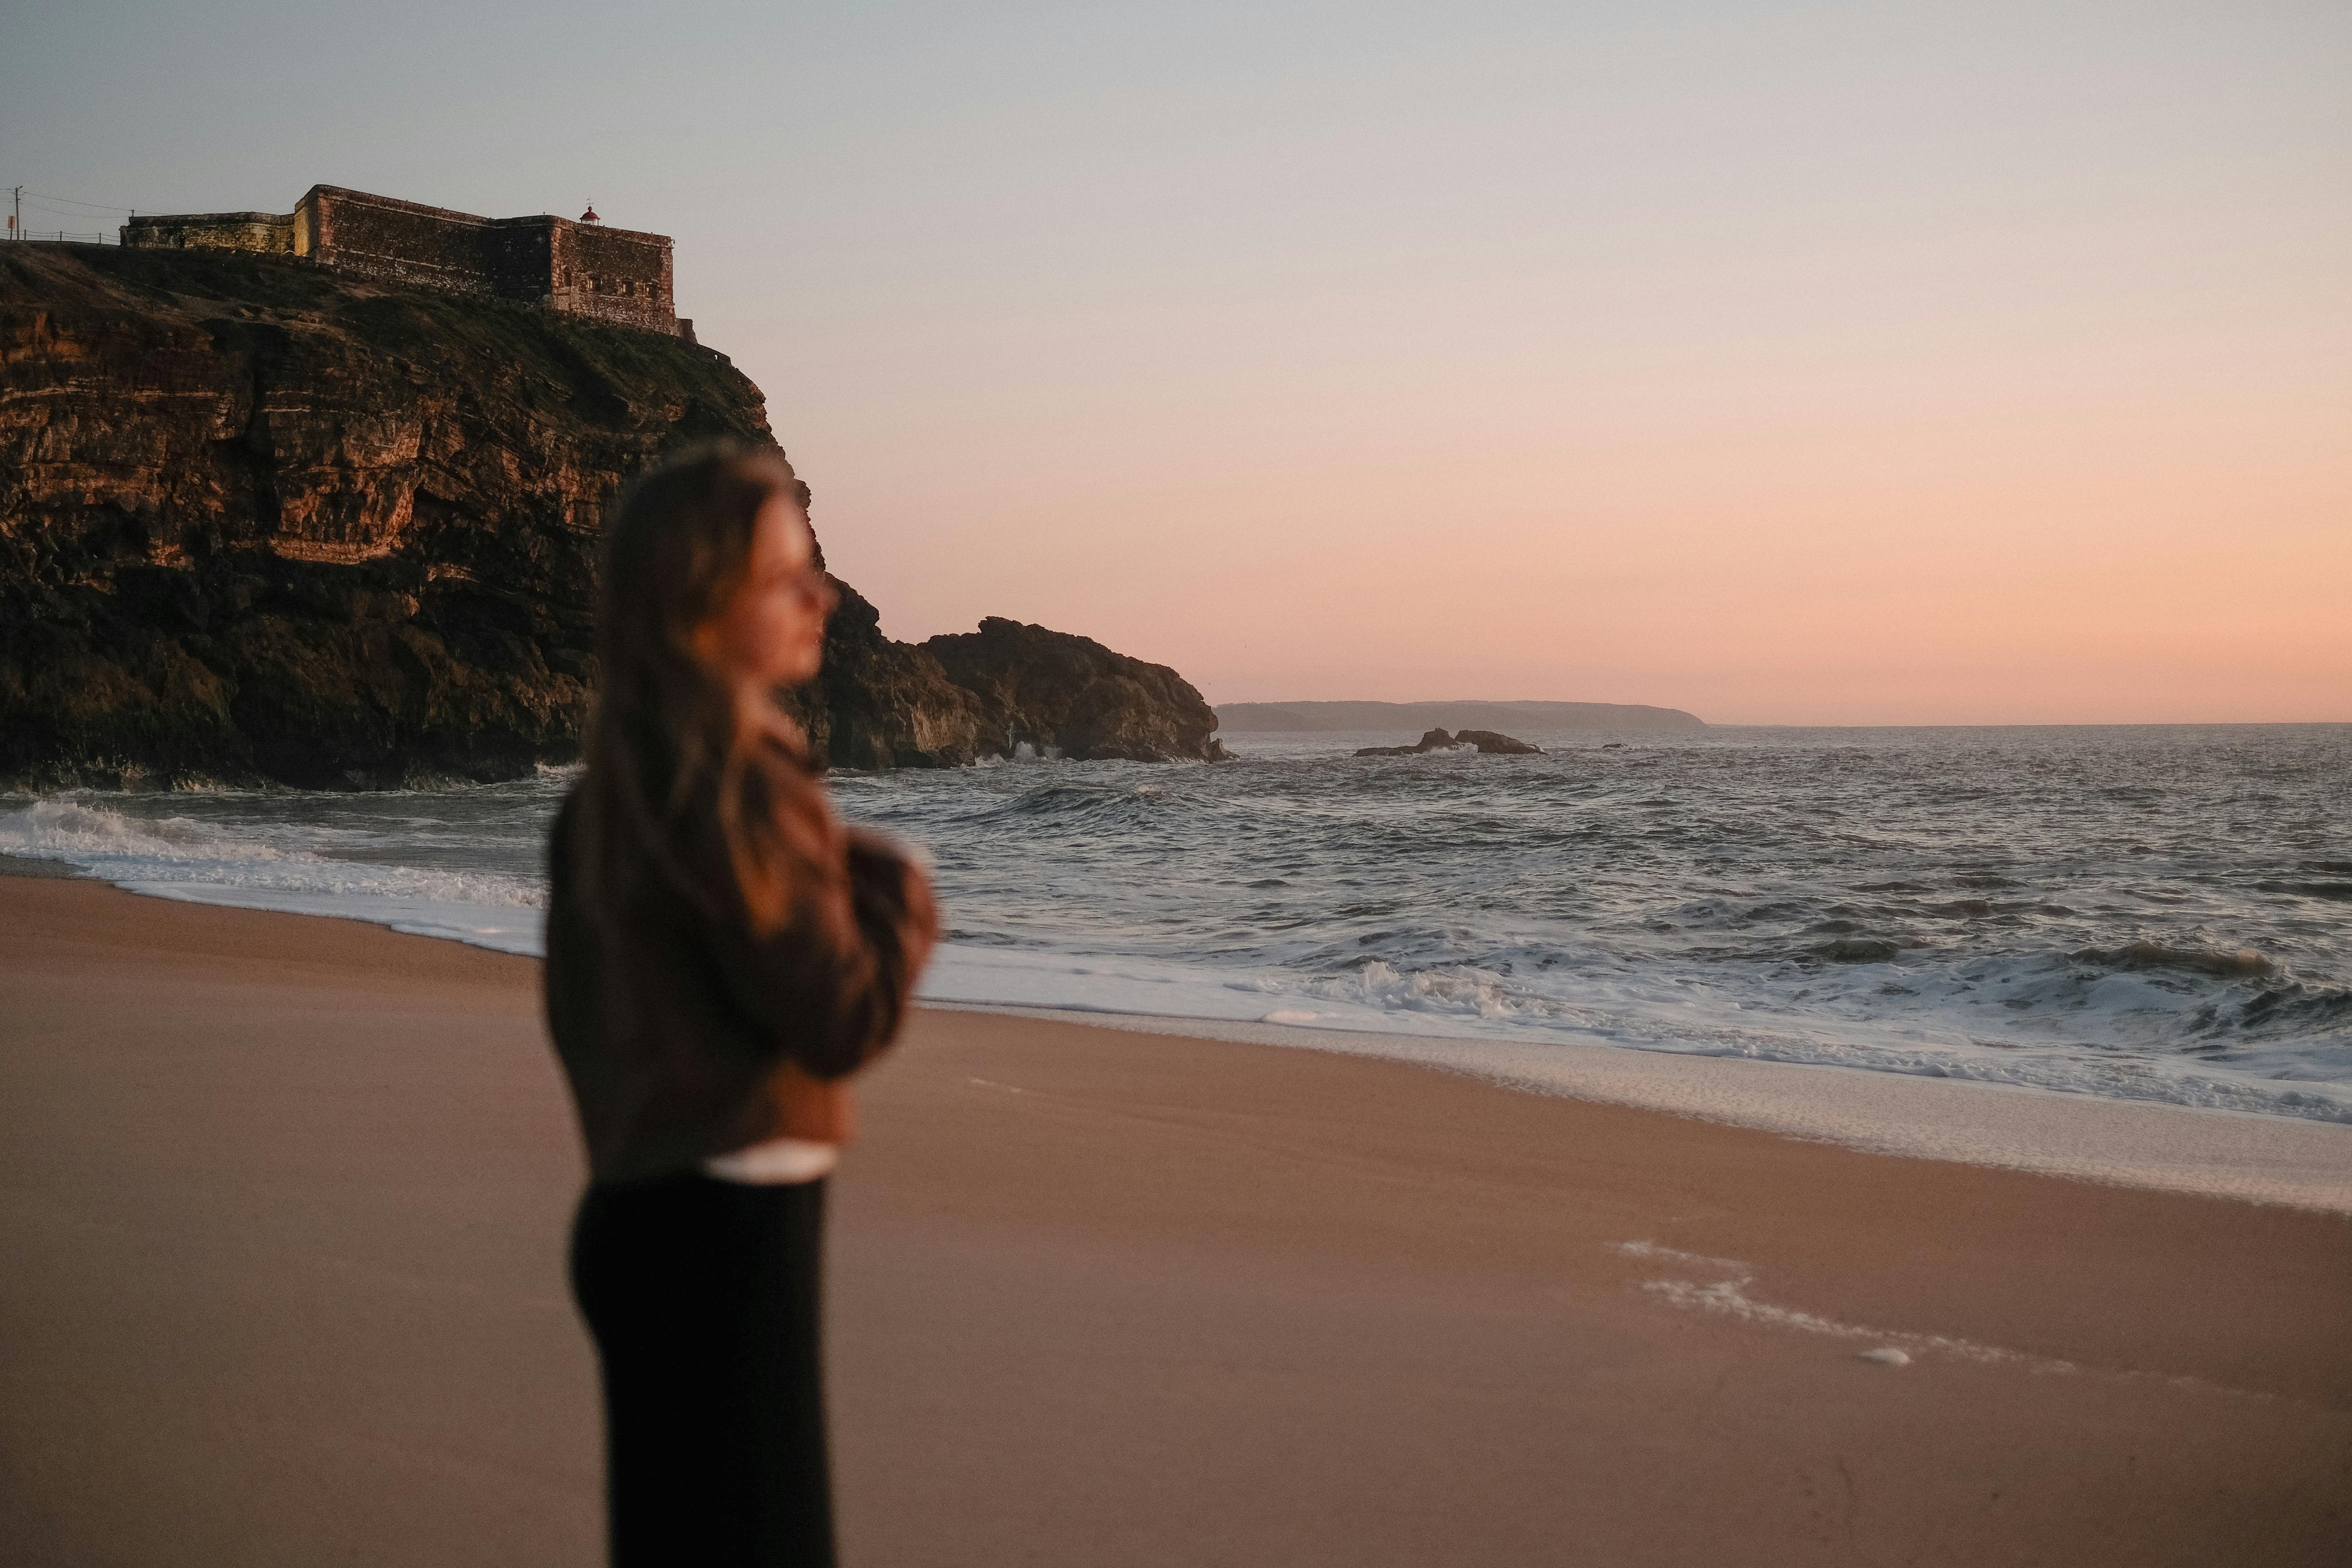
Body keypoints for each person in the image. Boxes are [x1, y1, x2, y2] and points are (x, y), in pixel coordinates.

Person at [543, 440, 937, 1566]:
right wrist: (899, 901)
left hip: (634, 1213)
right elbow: (839, 1020)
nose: (820, 594)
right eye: (784, 576)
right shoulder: (741, 788)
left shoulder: (610, 794)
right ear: (705, 600)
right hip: (731, 1231)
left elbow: (583, 1030)